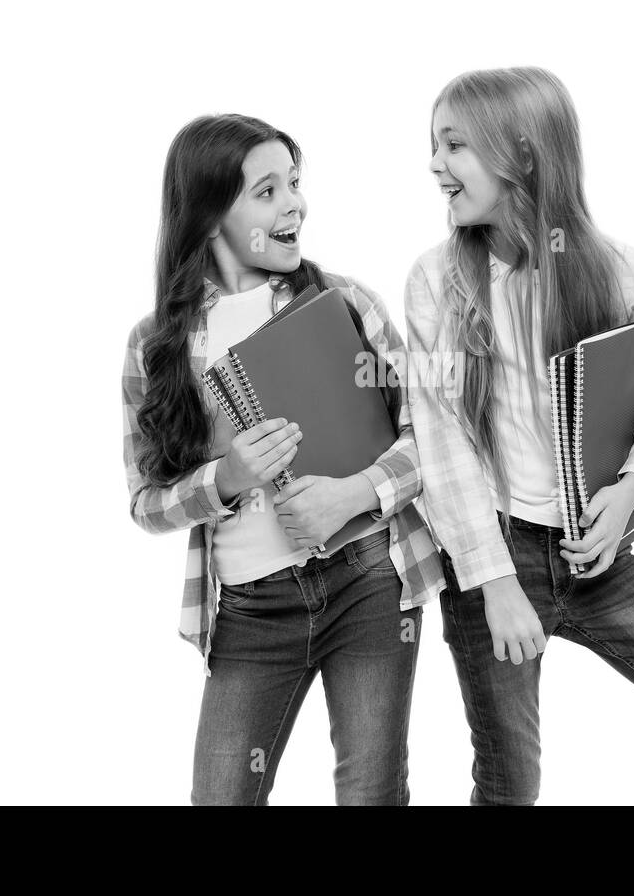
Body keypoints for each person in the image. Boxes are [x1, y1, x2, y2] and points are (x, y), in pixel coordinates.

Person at [403, 67, 634, 805]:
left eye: (454, 145)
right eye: (433, 145)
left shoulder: (624, 274)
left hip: (603, 562)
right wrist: (495, 583)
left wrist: (631, 487)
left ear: (524, 153)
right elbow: (439, 440)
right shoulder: (435, 281)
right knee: (511, 787)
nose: (434, 164)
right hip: (494, 563)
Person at [121, 114, 444, 805]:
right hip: (248, 610)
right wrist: (225, 479)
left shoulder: (347, 303)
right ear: (210, 218)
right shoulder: (156, 346)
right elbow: (145, 501)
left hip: (368, 583)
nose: (294, 202)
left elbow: (437, 440)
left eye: (294, 183)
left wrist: (353, 493)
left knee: (372, 791)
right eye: (266, 191)